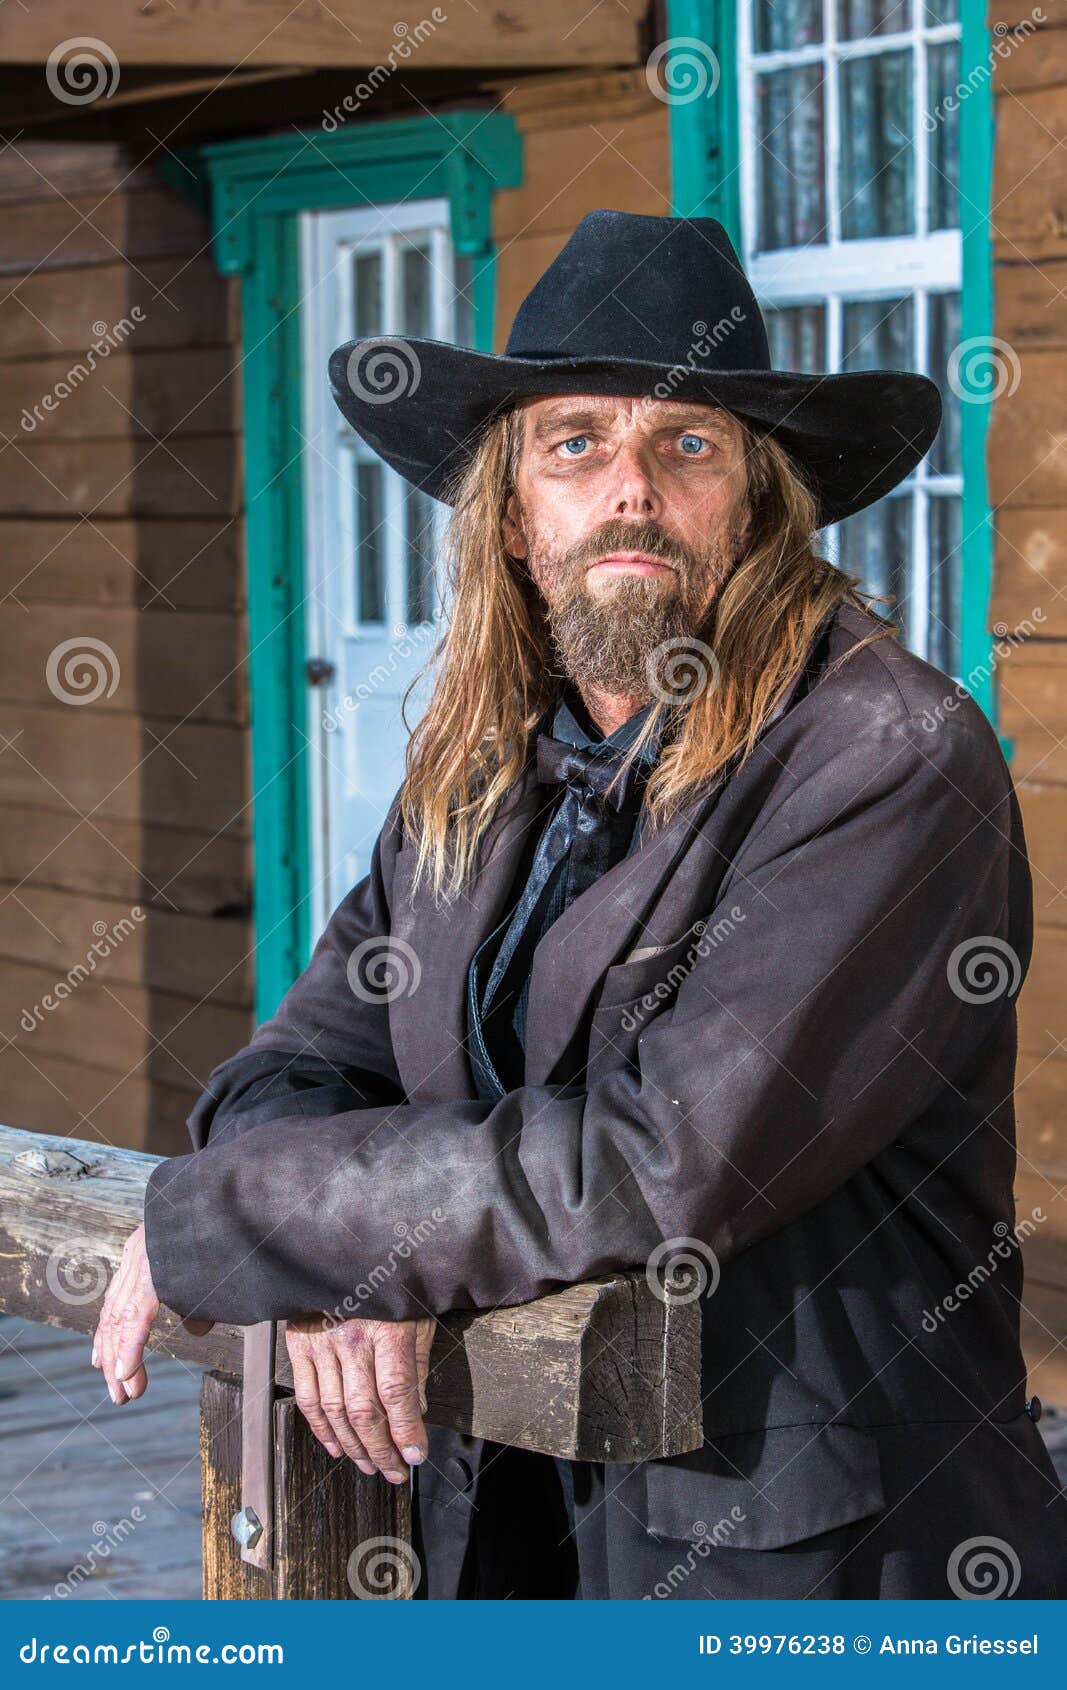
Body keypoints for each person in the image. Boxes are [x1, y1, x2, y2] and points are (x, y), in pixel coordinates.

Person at [91, 210, 1067, 1599]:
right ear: (511, 507)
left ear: (758, 500)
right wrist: (319, 1260)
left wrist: (245, 1221)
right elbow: (301, 1063)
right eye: (576, 443)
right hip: (494, 1519)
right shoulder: (480, 759)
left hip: (800, 1559)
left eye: (688, 445)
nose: (633, 489)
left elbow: (650, 1162)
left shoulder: (884, 758)